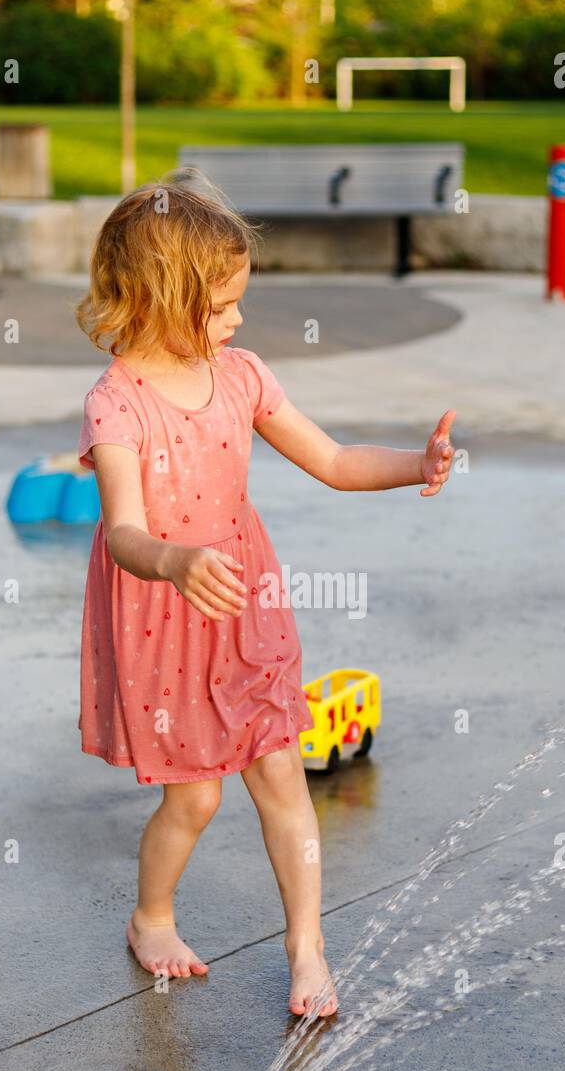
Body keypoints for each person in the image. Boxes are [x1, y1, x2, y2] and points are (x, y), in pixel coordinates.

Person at [75, 177, 455, 1018]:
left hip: (244, 606)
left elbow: (333, 460)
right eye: (220, 306)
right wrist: (175, 560)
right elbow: (124, 533)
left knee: (282, 773)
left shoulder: (241, 375)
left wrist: (412, 467)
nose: (236, 321)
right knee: (197, 796)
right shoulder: (116, 406)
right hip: (168, 612)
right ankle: (153, 917)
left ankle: (306, 947)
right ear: (157, 299)